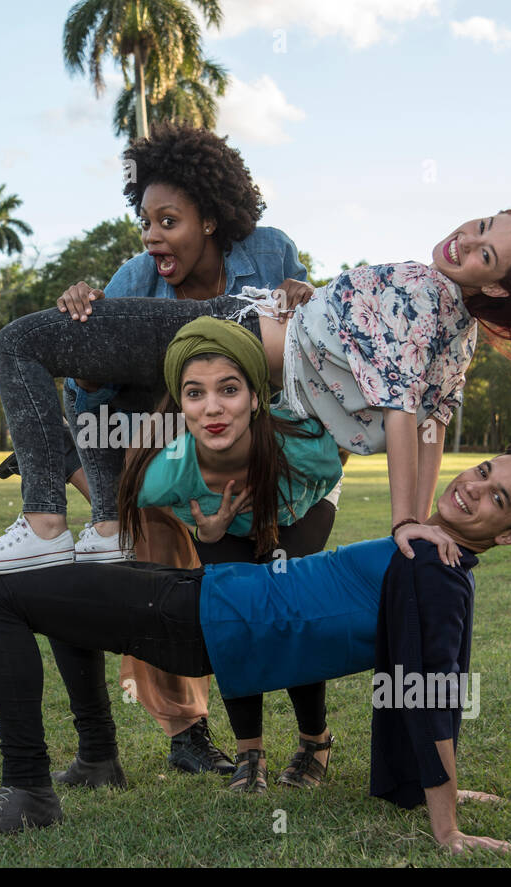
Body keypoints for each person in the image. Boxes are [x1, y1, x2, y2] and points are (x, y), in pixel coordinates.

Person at [0, 438, 511, 856]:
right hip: (212, 594)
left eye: (497, 498)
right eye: (485, 471)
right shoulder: (435, 552)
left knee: (1, 597)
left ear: (510, 535)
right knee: (56, 586)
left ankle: (29, 789)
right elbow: (436, 682)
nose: (472, 487)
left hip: (207, 623)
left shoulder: (433, 573)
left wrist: (446, 824)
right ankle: (97, 759)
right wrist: (442, 786)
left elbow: (431, 692)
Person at [0, 209, 511, 582]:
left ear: (496, 290)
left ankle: (45, 525)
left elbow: (408, 414)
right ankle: (102, 528)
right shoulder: (456, 327)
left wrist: (407, 523)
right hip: (250, 362)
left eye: (485, 252)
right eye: (480, 225)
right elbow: (428, 424)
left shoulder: (423, 290)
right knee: (99, 401)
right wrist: (412, 520)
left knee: (20, 342)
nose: (464, 241)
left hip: (231, 334)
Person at [0, 123, 316, 563]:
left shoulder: (269, 251)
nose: (151, 236)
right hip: (161, 421)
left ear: (209, 221)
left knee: (259, 551)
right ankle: (93, 496)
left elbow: (303, 349)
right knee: (155, 548)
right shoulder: (134, 277)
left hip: (245, 424)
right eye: (144, 222)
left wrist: (304, 295)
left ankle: (75, 462)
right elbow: (95, 393)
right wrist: (84, 338)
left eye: (168, 221)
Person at [48, 317, 344, 792]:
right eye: (194, 394)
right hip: (219, 521)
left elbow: (331, 475)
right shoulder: (168, 471)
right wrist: (207, 533)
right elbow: (144, 502)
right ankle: (251, 754)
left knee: (285, 607)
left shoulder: (305, 446)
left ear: (254, 396)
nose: (212, 409)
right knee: (232, 614)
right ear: (180, 404)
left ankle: (315, 741)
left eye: (229, 390)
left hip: (300, 504)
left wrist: (274, 522)